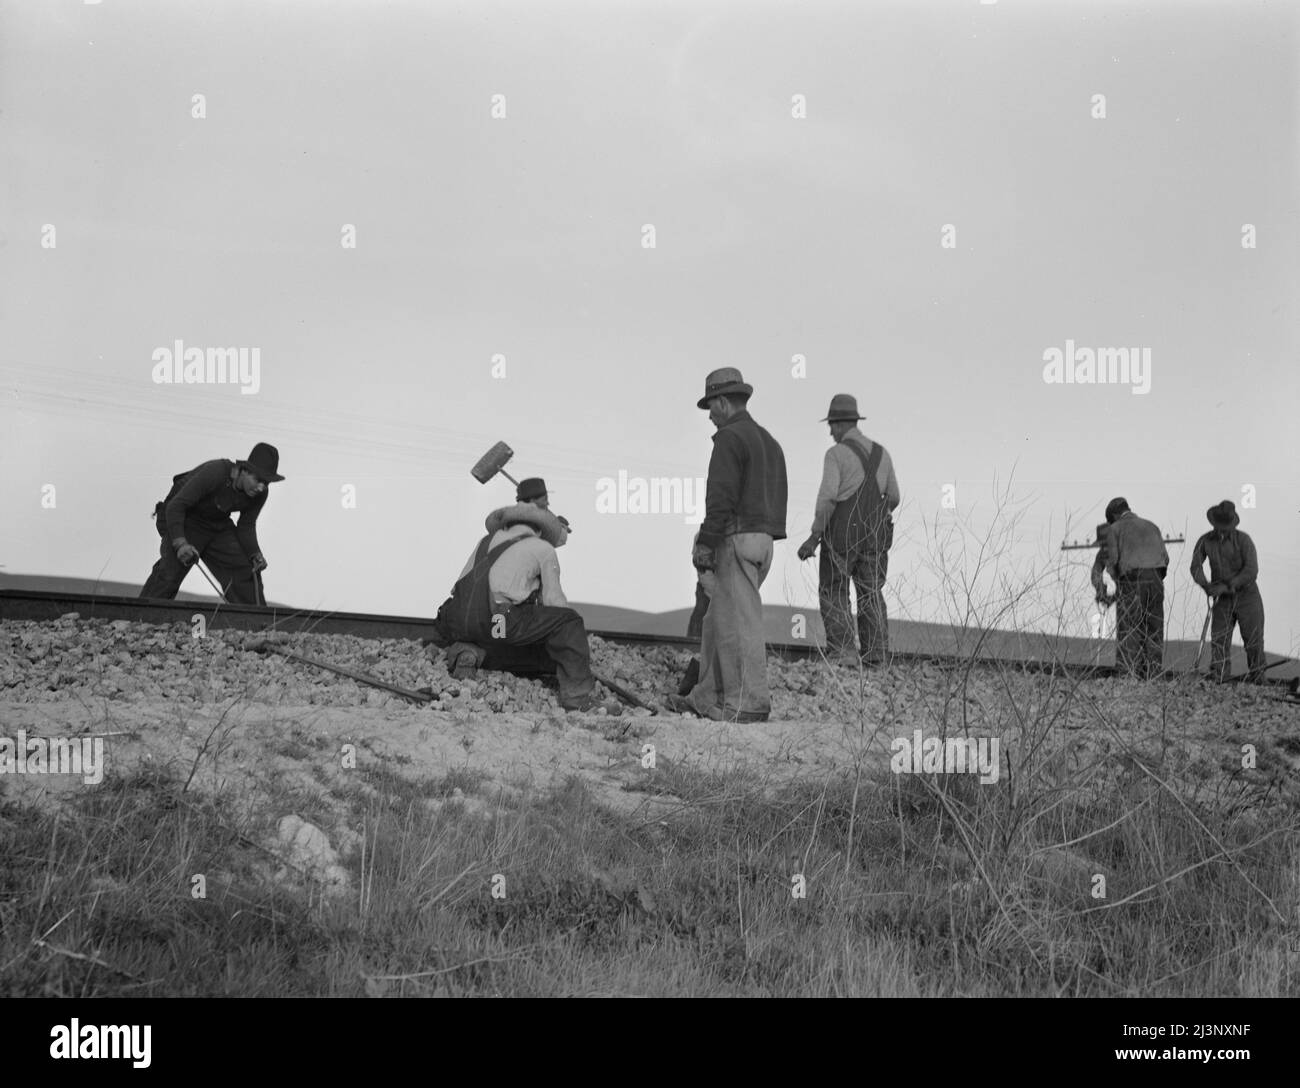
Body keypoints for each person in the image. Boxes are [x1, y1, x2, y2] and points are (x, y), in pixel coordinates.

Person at [668, 368, 787, 722]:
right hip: (764, 541)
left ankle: (747, 704)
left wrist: (706, 542)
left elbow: (719, 499)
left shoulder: (728, 439)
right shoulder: (769, 441)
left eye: (710, 406)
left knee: (737, 624)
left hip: (736, 538)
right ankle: (706, 698)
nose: (709, 415)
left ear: (722, 401)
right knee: (717, 620)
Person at [431, 505, 613, 712]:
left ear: (508, 525)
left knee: (494, 633)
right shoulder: (543, 549)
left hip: (456, 620)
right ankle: (577, 697)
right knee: (568, 622)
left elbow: (462, 585)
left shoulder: (485, 541)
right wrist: (569, 640)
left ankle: (468, 650)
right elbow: (554, 601)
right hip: (497, 621)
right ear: (541, 531)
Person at [796, 395, 900, 665]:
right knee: (871, 592)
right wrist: (873, 516)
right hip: (875, 536)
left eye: (831, 425)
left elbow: (828, 498)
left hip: (841, 535)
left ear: (841, 424)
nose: (830, 431)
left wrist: (814, 536)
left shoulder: (836, 454)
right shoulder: (882, 453)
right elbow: (894, 497)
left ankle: (843, 654)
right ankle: (876, 656)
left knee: (834, 591)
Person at [140, 443, 283, 604]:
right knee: (171, 572)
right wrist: (180, 543)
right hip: (182, 517)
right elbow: (176, 506)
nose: (261, 487)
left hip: (217, 523)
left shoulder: (260, 493)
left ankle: (257, 624)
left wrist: (254, 554)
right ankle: (140, 618)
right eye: (257, 480)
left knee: (244, 570)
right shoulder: (216, 472)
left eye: (266, 483)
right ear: (243, 471)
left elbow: (246, 526)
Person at [1190, 500, 1265, 682]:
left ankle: (1258, 677)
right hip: (1221, 600)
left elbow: (1251, 570)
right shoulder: (1205, 540)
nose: (1222, 530)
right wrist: (1206, 585)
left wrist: (1228, 585)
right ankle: (1220, 676)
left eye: (1225, 527)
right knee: (1219, 639)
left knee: (1253, 639)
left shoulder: (1244, 540)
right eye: (1219, 526)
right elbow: (1195, 566)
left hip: (1247, 596)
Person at [1100, 497, 1169, 680]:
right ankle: (1153, 675)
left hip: (1132, 580)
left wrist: (1117, 580)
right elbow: (1165, 559)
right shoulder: (1152, 526)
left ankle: (1128, 675)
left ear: (1114, 515)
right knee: (1154, 628)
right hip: (1155, 580)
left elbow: (1113, 560)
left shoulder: (1115, 529)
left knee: (1129, 628)